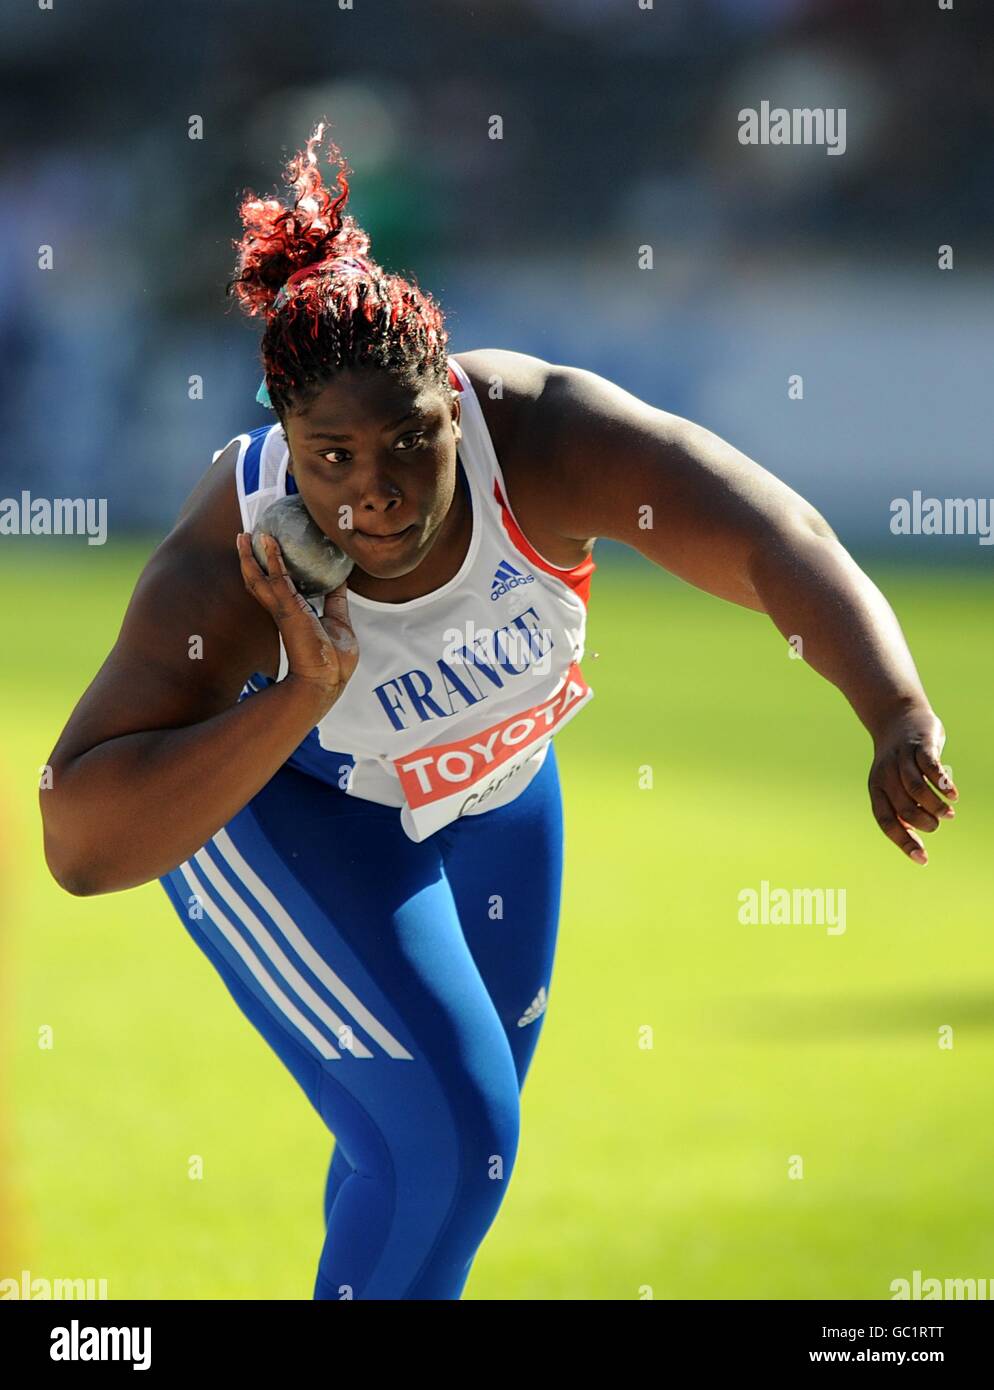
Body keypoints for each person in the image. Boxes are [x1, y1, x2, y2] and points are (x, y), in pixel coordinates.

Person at [39, 123, 959, 1300]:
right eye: (331, 455)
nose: (374, 485)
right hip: (294, 816)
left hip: (502, 797)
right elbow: (81, 840)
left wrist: (892, 708)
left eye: (410, 438)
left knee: (425, 1157)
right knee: (453, 1145)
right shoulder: (231, 561)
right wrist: (296, 697)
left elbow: (775, 539)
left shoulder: (540, 438)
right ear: (286, 441)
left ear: (454, 405)